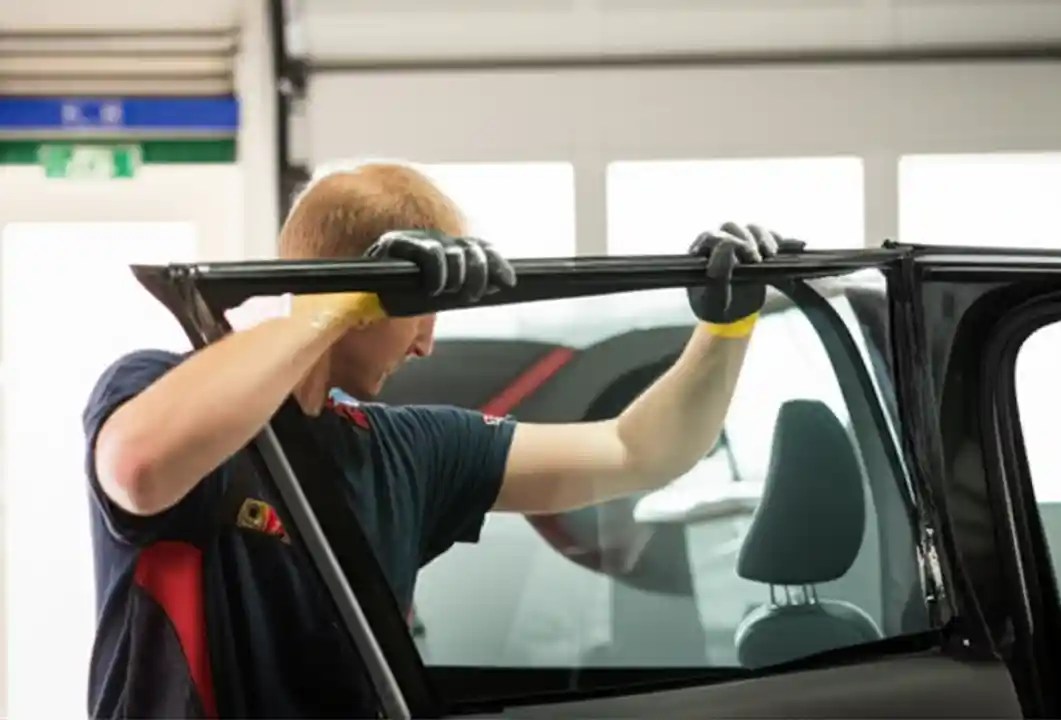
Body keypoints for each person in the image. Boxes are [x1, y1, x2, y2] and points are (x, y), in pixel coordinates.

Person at [83, 162, 801, 718]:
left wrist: (725, 328)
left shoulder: (412, 451)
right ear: (365, 292)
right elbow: (140, 468)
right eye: (419, 310)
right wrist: (337, 300)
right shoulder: (155, 387)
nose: (428, 343)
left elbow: (636, 451)